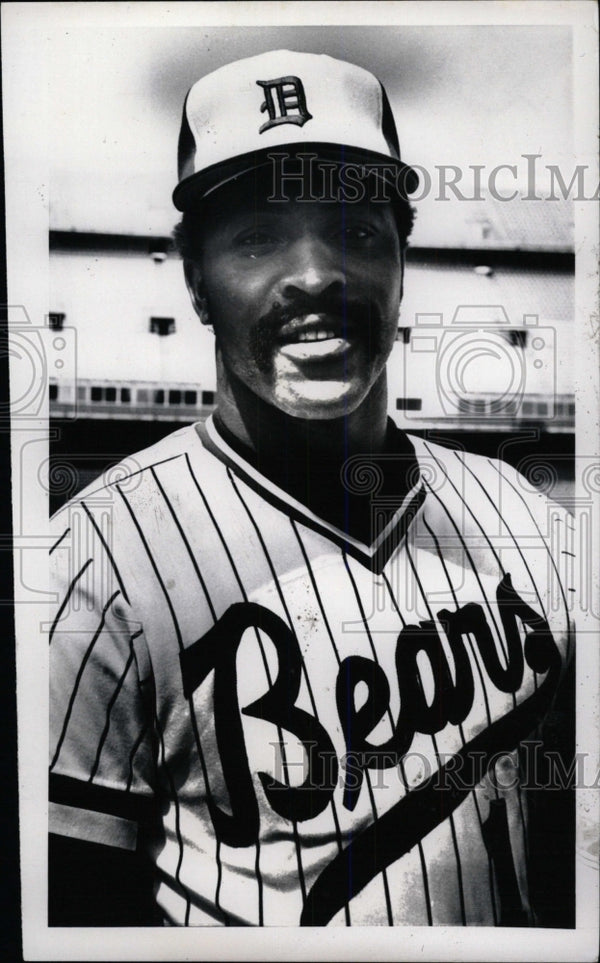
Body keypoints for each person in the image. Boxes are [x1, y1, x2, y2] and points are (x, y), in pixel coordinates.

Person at [48, 49, 574, 928]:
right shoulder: (91, 567)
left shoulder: (528, 520)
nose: (317, 275)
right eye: (257, 236)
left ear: (403, 259)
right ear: (195, 281)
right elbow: (71, 918)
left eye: (359, 232)